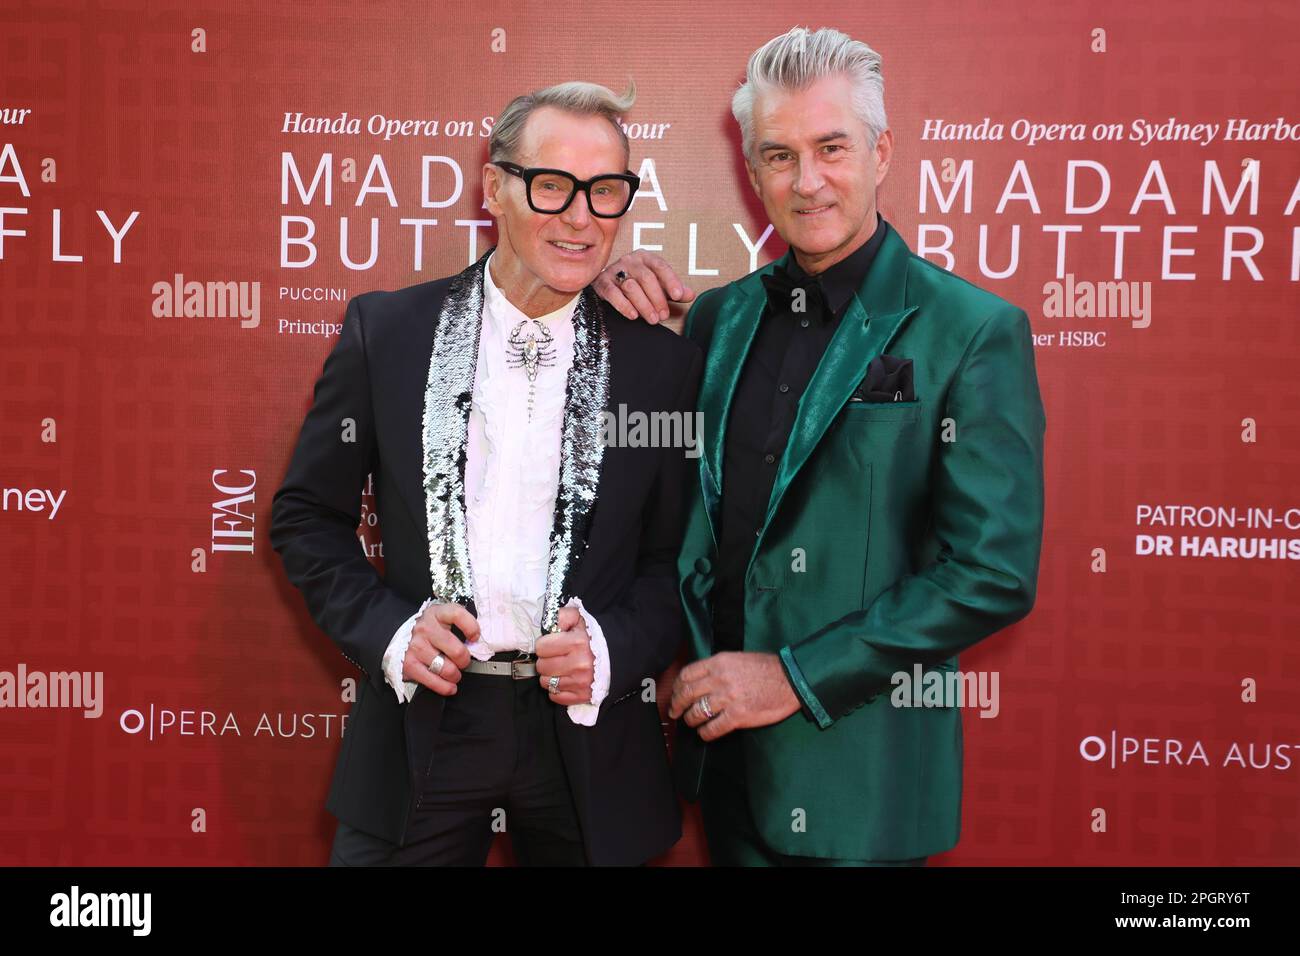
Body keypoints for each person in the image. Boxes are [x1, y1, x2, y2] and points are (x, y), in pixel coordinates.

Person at [595, 26, 1046, 866]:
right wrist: (600, 289)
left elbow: (992, 574)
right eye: (778, 155)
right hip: (720, 764)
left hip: (858, 784)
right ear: (751, 169)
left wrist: (792, 677)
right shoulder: (718, 317)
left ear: (882, 154)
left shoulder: (973, 330)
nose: (806, 182)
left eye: (831, 147)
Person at [271, 79, 702, 866]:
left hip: (593, 739)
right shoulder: (388, 332)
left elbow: (679, 563)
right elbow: (306, 516)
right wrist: (391, 632)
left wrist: (610, 648)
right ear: (494, 187)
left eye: (604, 191)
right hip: (421, 727)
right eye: (552, 186)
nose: (581, 217)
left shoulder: (662, 365)